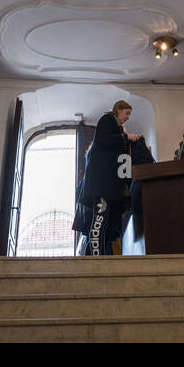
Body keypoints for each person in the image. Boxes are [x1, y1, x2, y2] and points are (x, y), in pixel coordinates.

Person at [74, 100, 140, 255]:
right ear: (118, 110)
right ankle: (96, 259)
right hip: (101, 187)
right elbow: (104, 140)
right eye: (126, 113)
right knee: (99, 222)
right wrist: (126, 137)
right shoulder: (107, 120)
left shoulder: (117, 127)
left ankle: (98, 255)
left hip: (108, 187)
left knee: (104, 224)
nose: (128, 117)